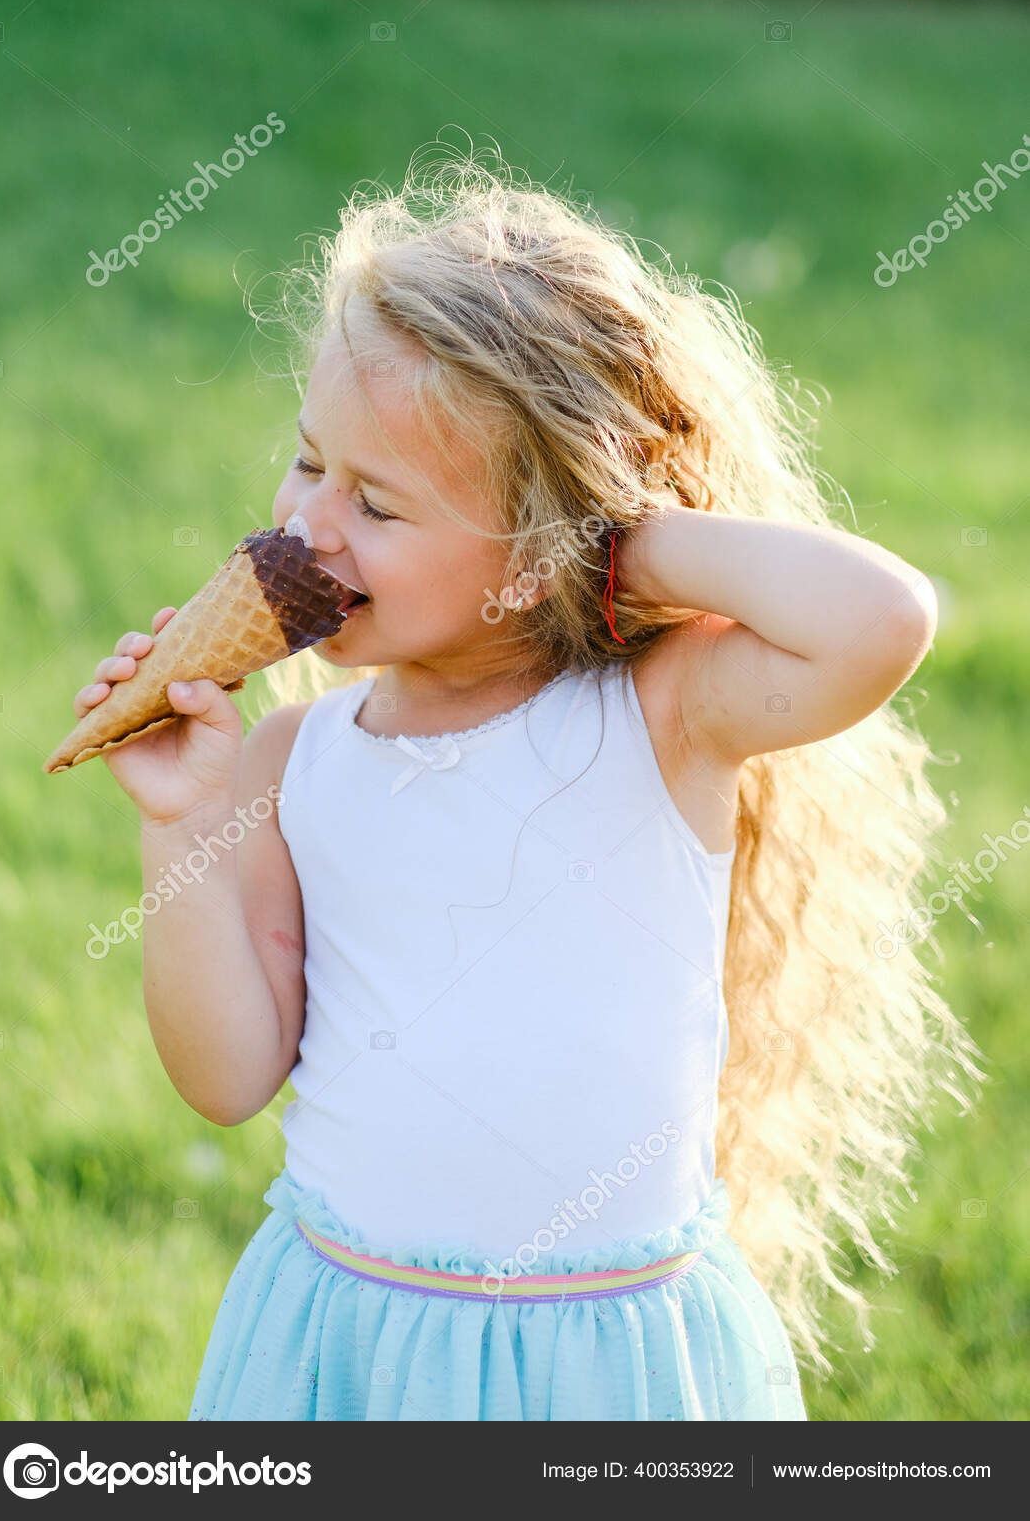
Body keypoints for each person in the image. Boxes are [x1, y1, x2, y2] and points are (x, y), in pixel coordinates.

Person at [72, 148, 985, 1421]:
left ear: (523, 558)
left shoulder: (660, 717)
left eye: (377, 503)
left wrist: (608, 540)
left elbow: (877, 617)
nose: (304, 523)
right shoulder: (294, 765)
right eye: (306, 459)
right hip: (353, 1325)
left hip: (606, 1360)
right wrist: (177, 830)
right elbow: (225, 1076)